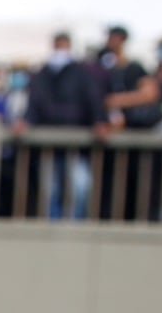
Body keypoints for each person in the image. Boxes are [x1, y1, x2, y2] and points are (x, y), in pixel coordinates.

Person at [18, 30, 109, 219]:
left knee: (79, 187)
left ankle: (75, 225)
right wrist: (26, 121)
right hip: (48, 141)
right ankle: (52, 227)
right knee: (50, 190)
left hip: (76, 141)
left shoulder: (81, 73)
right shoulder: (43, 74)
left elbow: (92, 99)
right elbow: (34, 103)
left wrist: (99, 121)